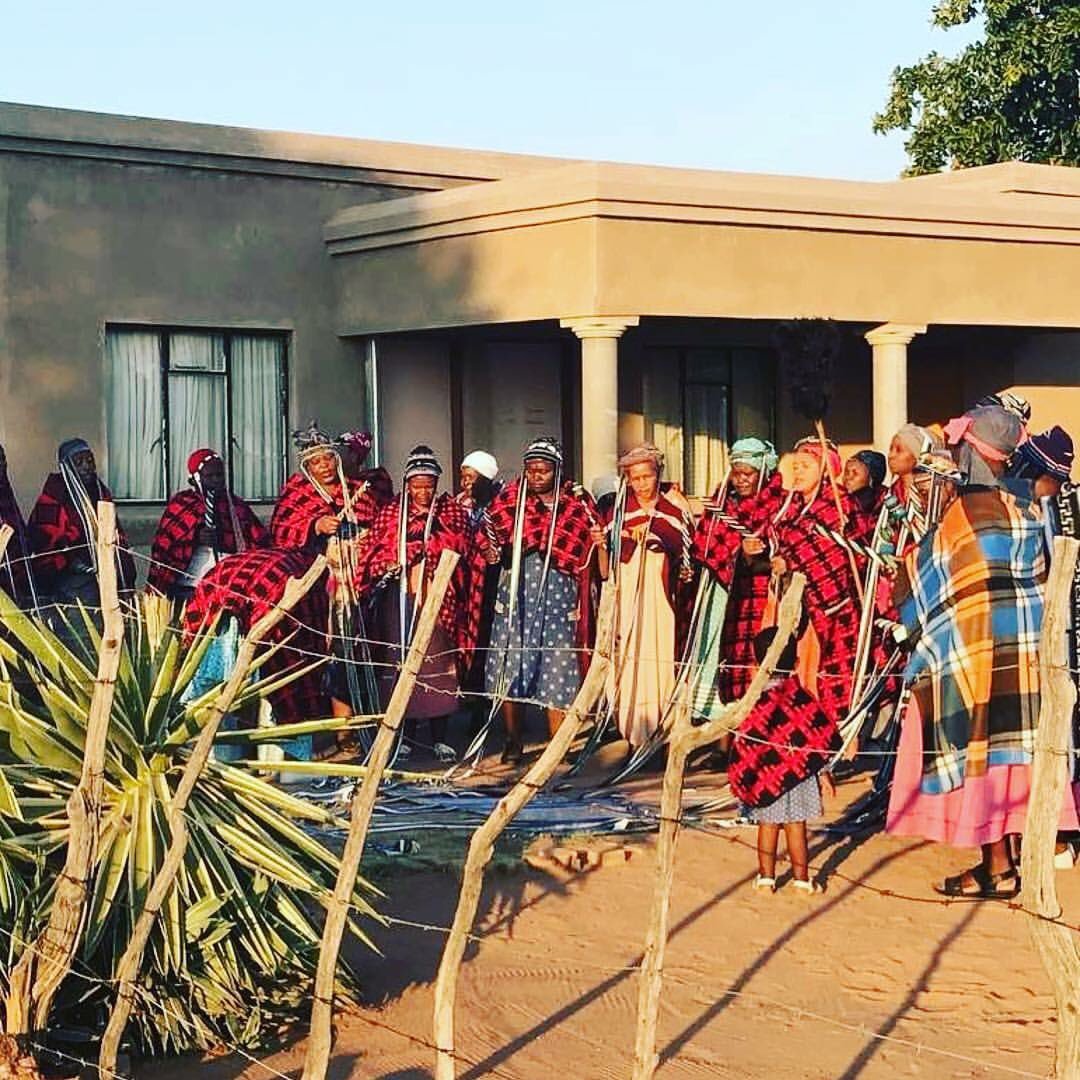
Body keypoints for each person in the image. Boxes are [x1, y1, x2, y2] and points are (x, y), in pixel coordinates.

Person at [886, 405, 1080, 898]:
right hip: (1028, 648)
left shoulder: (965, 512)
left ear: (973, 452)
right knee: (1016, 754)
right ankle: (1011, 862)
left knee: (984, 751)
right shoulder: (1029, 505)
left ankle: (997, 867)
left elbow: (924, 577)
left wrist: (905, 566)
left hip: (975, 648)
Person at [354, 445, 476, 762]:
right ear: (407, 484)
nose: (423, 492)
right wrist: (400, 555)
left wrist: (431, 543)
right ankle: (405, 737)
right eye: (416, 485)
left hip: (439, 596)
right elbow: (374, 553)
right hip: (401, 597)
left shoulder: (452, 513)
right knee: (400, 661)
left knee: (437, 665)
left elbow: (463, 547)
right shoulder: (391, 513)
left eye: (429, 485)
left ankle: (439, 737)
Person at [482, 436, 599, 765]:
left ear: (556, 471)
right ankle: (513, 739)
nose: (536, 476)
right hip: (518, 591)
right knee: (512, 661)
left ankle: (556, 744)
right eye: (531, 470)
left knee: (557, 665)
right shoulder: (510, 499)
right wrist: (494, 550)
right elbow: (489, 535)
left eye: (543, 471)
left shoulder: (575, 503)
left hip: (559, 594)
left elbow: (589, 544)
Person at [728, 626, 839, 894]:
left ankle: (766, 880)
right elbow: (817, 738)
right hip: (800, 776)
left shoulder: (752, 701)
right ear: (797, 662)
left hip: (765, 776)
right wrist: (823, 773)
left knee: (767, 826)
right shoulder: (802, 698)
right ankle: (802, 881)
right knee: (796, 827)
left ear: (757, 663)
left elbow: (743, 743)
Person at [691, 438, 786, 729]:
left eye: (749, 473)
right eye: (737, 472)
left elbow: (786, 545)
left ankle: (751, 733)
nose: (741, 480)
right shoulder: (721, 502)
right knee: (721, 663)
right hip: (722, 596)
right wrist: (736, 551)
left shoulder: (780, 503)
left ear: (764, 472)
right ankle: (720, 735)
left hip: (760, 598)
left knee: (755, 665)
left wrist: (760, 554)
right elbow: (705, 543)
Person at [603, 443, 693, 748]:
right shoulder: (619, 508)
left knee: (660, 657)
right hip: (628, 594)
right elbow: (607, 555)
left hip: (661, 595)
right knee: (630, 659)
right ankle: (633, 733)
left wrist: (655, 536)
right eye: (634, 478)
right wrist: (609, 541)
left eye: (646, 477)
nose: (641, 484)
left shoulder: (674, 505)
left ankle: (662, 732)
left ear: (658, 475)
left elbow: (685, 546)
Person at [770, 437, 860, 727]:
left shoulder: (839, 504)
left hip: (832, 607)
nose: (797, 472)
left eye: (805, 466)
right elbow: (781, 541)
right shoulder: (790, 506)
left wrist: (792, 561)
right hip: (795, 607)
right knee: (795, 677)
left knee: (830, 680)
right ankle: (800, 745)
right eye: (795, 466)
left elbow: (837, 556)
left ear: (824, 470)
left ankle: (830, 750)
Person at [147, 449, 268, 601]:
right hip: (189, 582)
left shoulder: (236, 506)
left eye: (219, 475)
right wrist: (195, 537)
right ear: (194, 479)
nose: (216, 480)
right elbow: (165, 546)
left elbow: (257, 541)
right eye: (209, 476)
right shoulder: (182, 504)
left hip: (229, 580)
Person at [28, 438, 136, 608]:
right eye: (79, 462)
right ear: (66, 467)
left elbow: (116, 534)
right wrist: (73, 560)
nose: (87, 466)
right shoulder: (54, 497)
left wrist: (121, 567)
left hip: (106, 576)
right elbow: (45, 551)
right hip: (69, 582)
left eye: (90, 460)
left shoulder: (100, 492)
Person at [270, 423, 380, 556]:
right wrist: (316, 526)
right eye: (316, 462)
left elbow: (378, 527)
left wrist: (365, 537)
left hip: (358, 558)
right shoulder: (296, 494)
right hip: (310, 561)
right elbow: (280, 532)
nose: (324, 466)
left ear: (337, 460)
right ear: (307, 468)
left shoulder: (358, 490)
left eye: (329, 459)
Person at [0, 444, 36, 607]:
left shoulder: (5, 494)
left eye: (2, 459)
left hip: (15, 580)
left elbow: (20, 535)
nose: (1, 465)